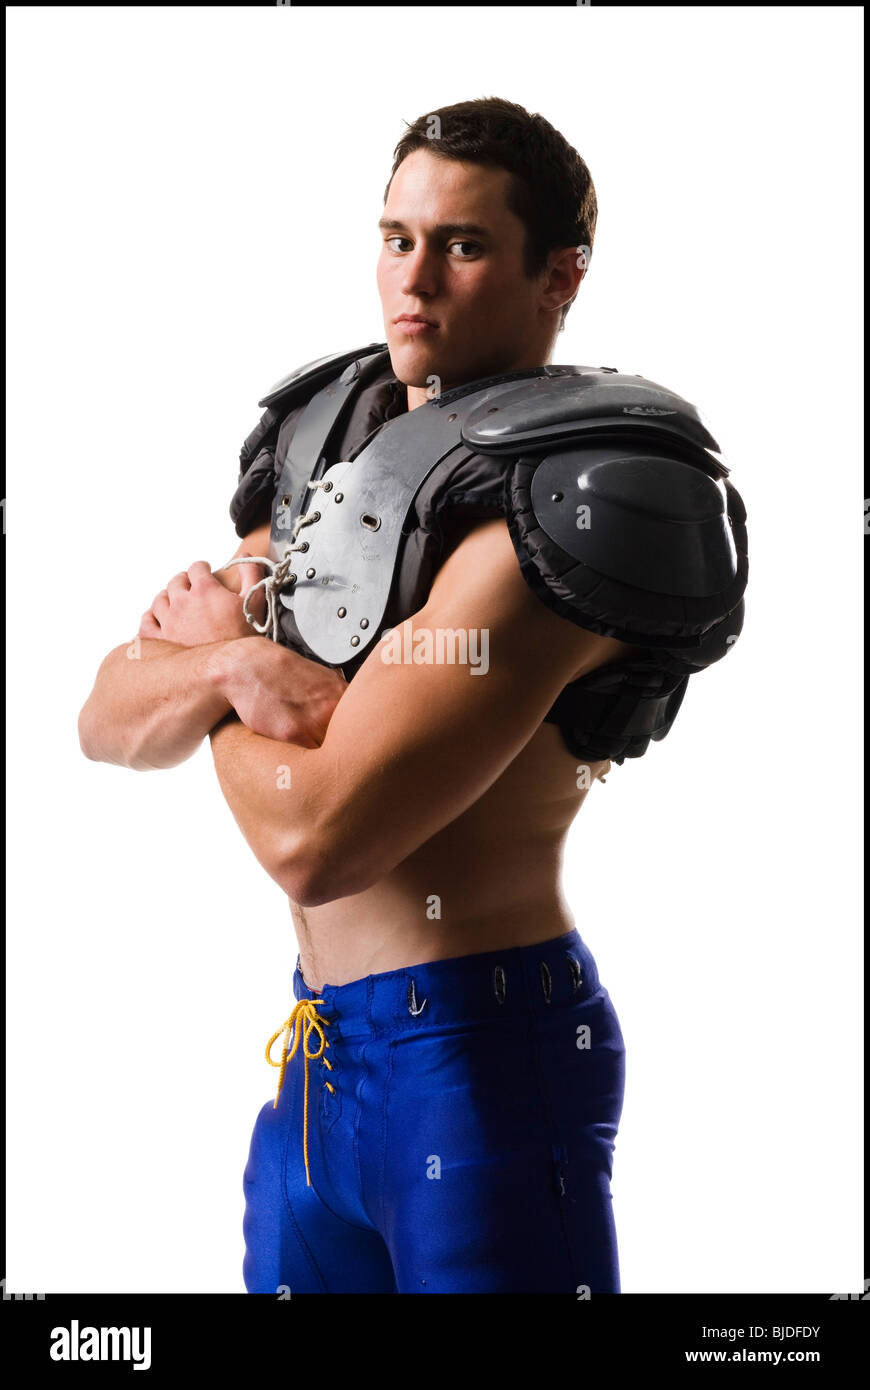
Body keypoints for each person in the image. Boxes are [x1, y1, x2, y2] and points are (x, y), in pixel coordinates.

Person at [78, 97, 747, 1294]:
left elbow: (317, 836)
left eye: (465, 245)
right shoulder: (337, 442)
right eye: (396, 237)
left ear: (562, 277)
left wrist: (217, 652)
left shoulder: (563, 514)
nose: (414, 279)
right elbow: (109, 716)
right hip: (315, 1069)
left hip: (477, 1059)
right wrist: (234, 662)